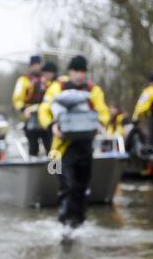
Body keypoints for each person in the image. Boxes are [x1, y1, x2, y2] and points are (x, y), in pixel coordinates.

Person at [38, 55, 110, 228]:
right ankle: (64, 223)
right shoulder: (57, 88)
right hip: (57, 149)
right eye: (76, 71)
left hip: (84, 147)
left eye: (83, 71)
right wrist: (52, 125)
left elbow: (103, 112)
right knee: (65, 185)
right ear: (70, 71)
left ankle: (78, 223)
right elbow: (44, 110)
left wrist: (101, 123)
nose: (80, 75)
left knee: (81, 187)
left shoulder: (94, 90)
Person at [12, 55, 50, 157]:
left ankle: (53, 170)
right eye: (34, 65)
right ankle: (34, 168)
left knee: (50, 145)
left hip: (46, 117)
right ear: (30, 66)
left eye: (38, 64)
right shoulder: (23, 80)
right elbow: (17, 98)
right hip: (30, 118)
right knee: (33, 146)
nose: (36, 67)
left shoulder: (47, 79)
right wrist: (23, 109)